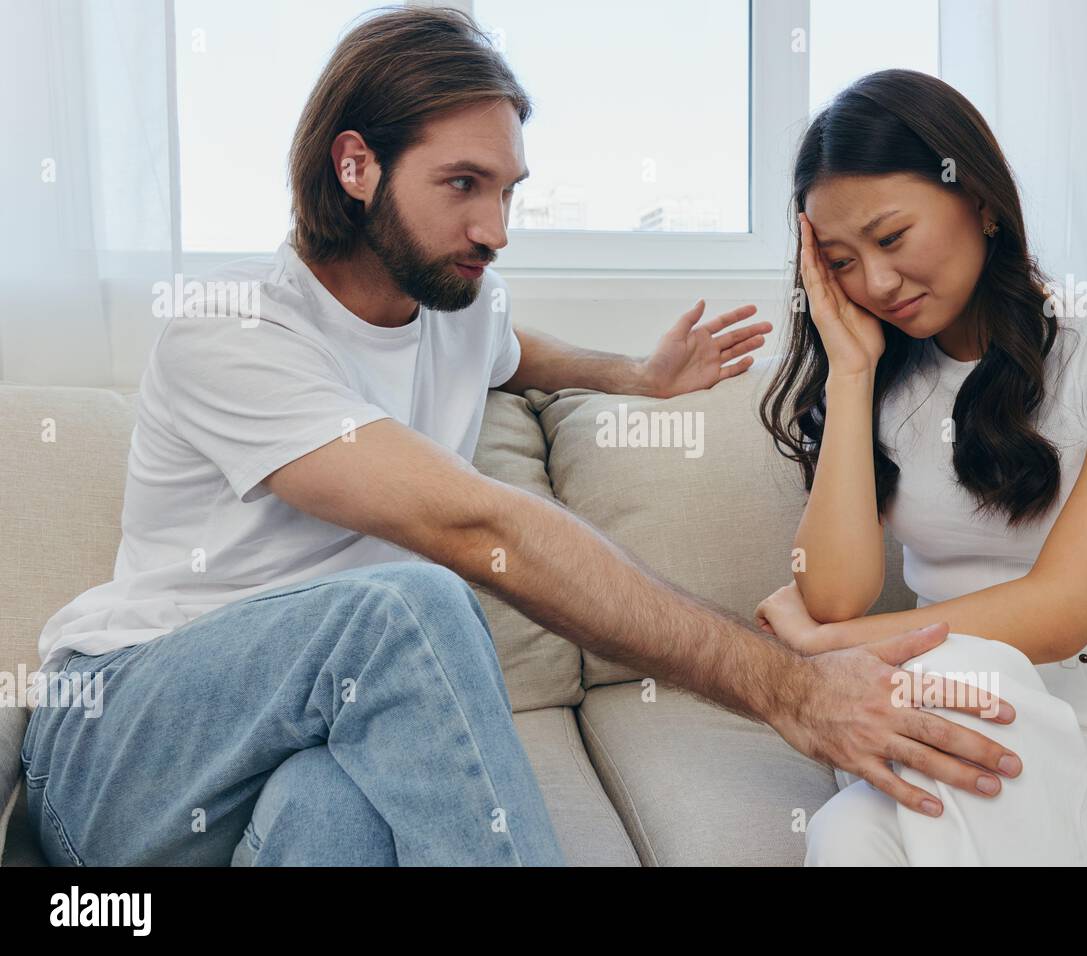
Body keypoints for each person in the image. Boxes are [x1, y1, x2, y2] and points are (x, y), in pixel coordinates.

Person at [20, 11, 1022, 868]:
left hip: (282, 760)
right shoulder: (230, 332)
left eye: (508, 189)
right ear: (356, 163)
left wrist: (633, 374)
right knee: (408, 601)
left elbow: (510, 349)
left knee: (332, 816)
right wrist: (787, 686)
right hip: (123, 743)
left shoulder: (454, 305)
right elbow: (470, 521)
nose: (496, 225)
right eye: (463, 184)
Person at [756, 69, 1087, 866]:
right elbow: (830, 592)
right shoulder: (879, 377)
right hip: (923, 724)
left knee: (969, 677)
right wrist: (852, 376)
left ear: (982, 200)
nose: (878, 282)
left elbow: (1066, 609)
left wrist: (827, 648)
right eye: (842, 261)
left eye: (892, 238)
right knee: (845, 836)